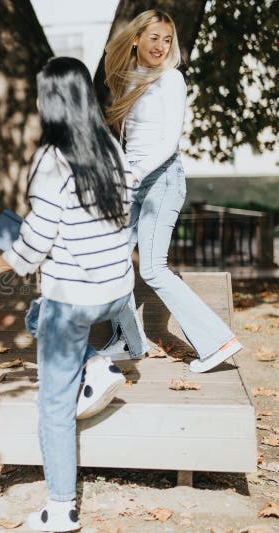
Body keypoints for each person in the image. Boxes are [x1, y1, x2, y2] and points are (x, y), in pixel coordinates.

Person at [0, 57, 134, 532]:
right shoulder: (110, 147)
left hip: (76, 295)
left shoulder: (51, 158)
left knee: (54, 406)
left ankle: (61, 509)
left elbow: (39, 240)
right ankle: (97, 362)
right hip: (114, 287)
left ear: (50, 101)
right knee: (36, 315)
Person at [98, 9, 241, 372]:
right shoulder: (128, 81)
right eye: (154, 38)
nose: (161, 46)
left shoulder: (171, 80)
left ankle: (217, 341)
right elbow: (128, 142)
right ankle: (128, 341)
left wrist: (135, 175)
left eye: (167, 39)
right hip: (133, 180)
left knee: (153, 268)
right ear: (135, 39)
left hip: (161, 179)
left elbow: (168, 140)